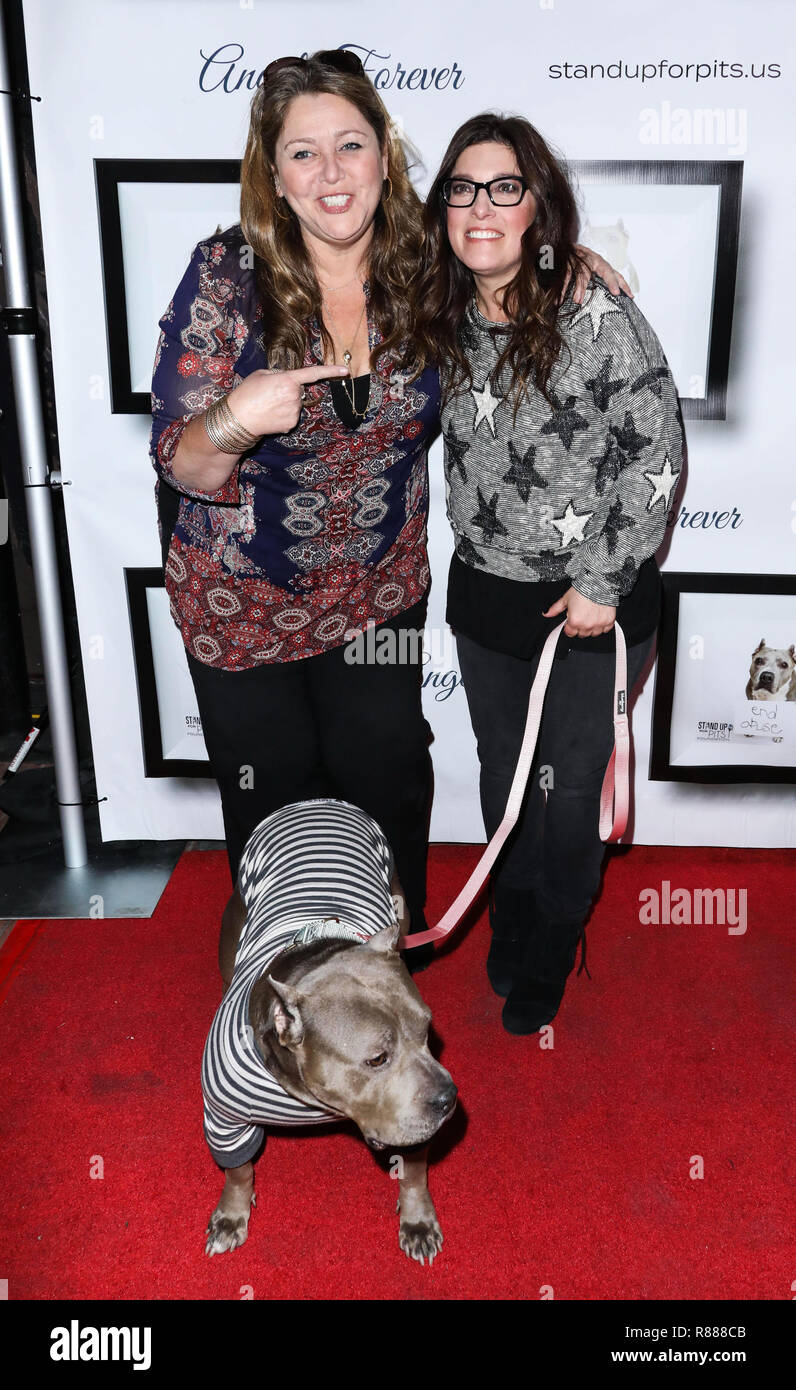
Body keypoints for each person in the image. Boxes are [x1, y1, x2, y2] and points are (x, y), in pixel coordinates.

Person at [149, 52, 624, 973]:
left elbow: (515, 255)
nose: (331, 173)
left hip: (380, 599)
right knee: (273, 805)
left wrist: (570, 261)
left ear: (383, 155)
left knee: (393, 782)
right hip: (242, 607)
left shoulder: (426, 262)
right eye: (302, 154)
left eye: (350, 146)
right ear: (273, 175)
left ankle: (383, 982)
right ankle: (283, 988)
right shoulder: (224, 276)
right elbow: (185, 465)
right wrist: (235, 417)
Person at [415, 114, 684, 1032]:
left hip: (594, 604)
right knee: (505, 779)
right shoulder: (435, 306)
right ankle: (518, 909)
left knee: (569, 797)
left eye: (503, 187)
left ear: (537, 204)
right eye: (461, 187)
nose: (479, 206)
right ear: (441, 206)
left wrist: (606, 579)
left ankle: (556, 931)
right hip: (487, 592)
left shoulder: (593, 308)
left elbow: (658, 448)